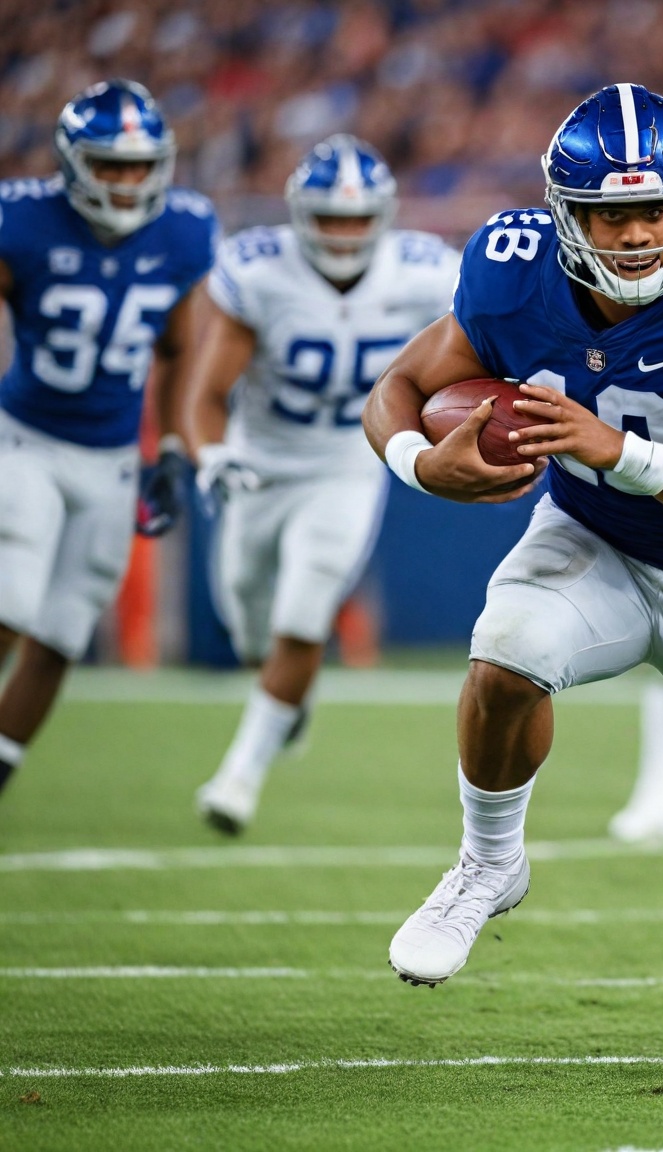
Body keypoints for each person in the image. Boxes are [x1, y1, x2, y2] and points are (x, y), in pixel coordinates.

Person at [361, 84, 663, 1031]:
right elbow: (398, 384)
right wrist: (425, 467)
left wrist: (613, 450)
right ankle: (488, 862)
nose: (637, 234)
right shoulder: (512, 272)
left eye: (658, 209)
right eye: (611, 213)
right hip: (595, 543)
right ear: (567, 214)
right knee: (506, 650)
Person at [184, 135, 456, 834]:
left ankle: (238, 778)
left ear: (384, 216)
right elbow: (206, 390)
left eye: (357, 218)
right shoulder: (263, 271)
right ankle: (285, 701)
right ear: (300, 215)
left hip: (347, 461)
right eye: (330, 218)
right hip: (261, 460)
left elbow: (475, 346)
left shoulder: (422, 273)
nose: (343, 233)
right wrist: (210, 454)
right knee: (246, 618)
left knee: (304, 614)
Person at [0, 80, 215, 796]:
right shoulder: (23, 221)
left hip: (114, 454)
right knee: (12, 598)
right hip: (25, 436)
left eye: (139, 166)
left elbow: (180, 350)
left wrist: (178, 443)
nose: (127, 182)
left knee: (62, 631)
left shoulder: (185, 230)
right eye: (109, 166)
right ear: (72, 164)